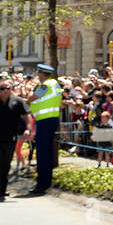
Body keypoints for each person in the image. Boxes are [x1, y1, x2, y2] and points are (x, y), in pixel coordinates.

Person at [27, 64, 62, 195]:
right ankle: (46, 182)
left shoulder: (45, 85)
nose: (38, 76)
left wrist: (27, 98)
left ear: (42, 74)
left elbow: (32, 98)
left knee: (42, 153)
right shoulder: (55, 84)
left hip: (44, 121)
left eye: (39, 73)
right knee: (47, 152)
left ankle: (41, 184)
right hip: (51, 120)